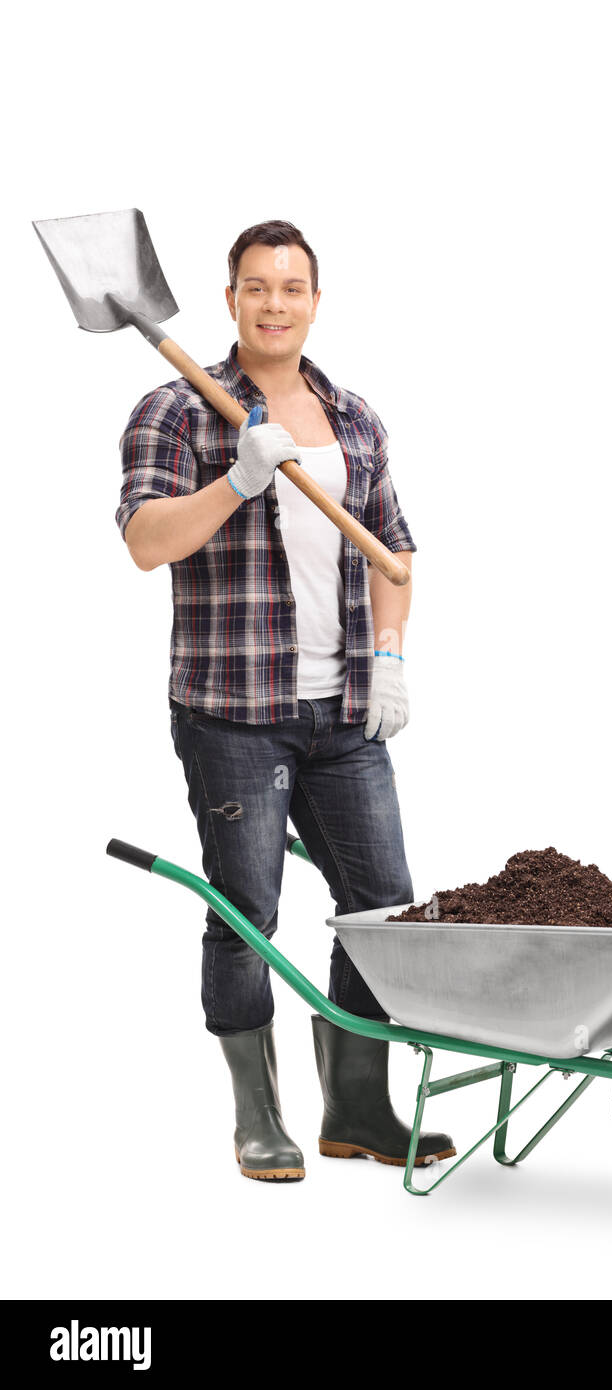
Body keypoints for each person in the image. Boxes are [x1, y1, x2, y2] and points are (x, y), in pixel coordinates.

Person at [116, 220, 453, 1182]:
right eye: (255, 287)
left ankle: (356, 1109)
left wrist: (389, 655)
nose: (274, 303)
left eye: (292, 288)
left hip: (342, 712)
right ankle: (258, 1119)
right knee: (246, 912)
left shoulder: (352, 417)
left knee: (383, 906)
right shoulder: (177, 410)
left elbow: (394, 549)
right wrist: (237, 477)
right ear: (229, 300)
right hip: (233, 712)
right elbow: (146, 542)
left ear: (315, 300)